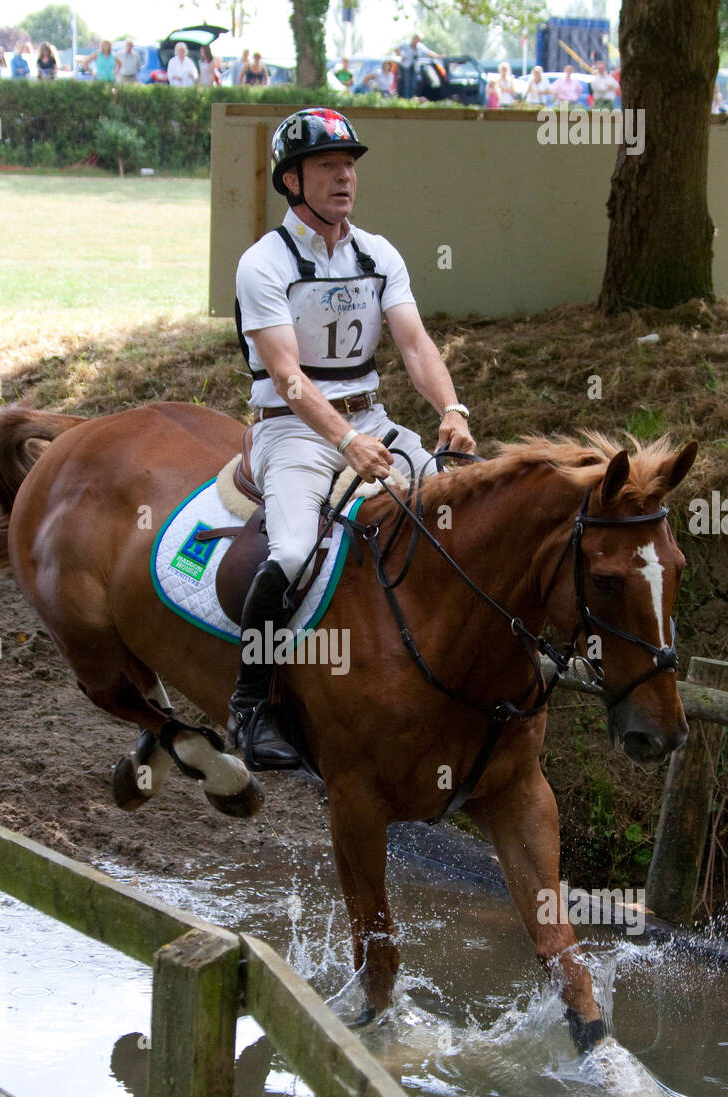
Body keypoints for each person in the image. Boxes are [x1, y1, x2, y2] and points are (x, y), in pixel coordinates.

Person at [230, 108, 475, 768]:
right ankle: (250, 708)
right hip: (295, 433)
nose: (345, 177)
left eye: (350, 165)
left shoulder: (379, 253)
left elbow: (416, 345)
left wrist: (452, 410)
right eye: (327, 166)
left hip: (373, 418)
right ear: (291, 180)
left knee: (460, 511)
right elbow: (286, 377)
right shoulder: (263, 263)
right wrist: (344, 442)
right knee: (290, 553)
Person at [395, 34, 443, 100]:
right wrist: (400, 55)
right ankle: (406, 100)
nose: (417, 41)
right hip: (405, 66)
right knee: (407, 84)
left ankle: (411, 100)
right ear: (413, 38)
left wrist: (438, 56)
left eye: (418, 40)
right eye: (416, 39)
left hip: (414, 67)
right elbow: (396, 48)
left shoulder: (420, 46)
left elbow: (428, 52)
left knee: (413, 84)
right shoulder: (405, 43)